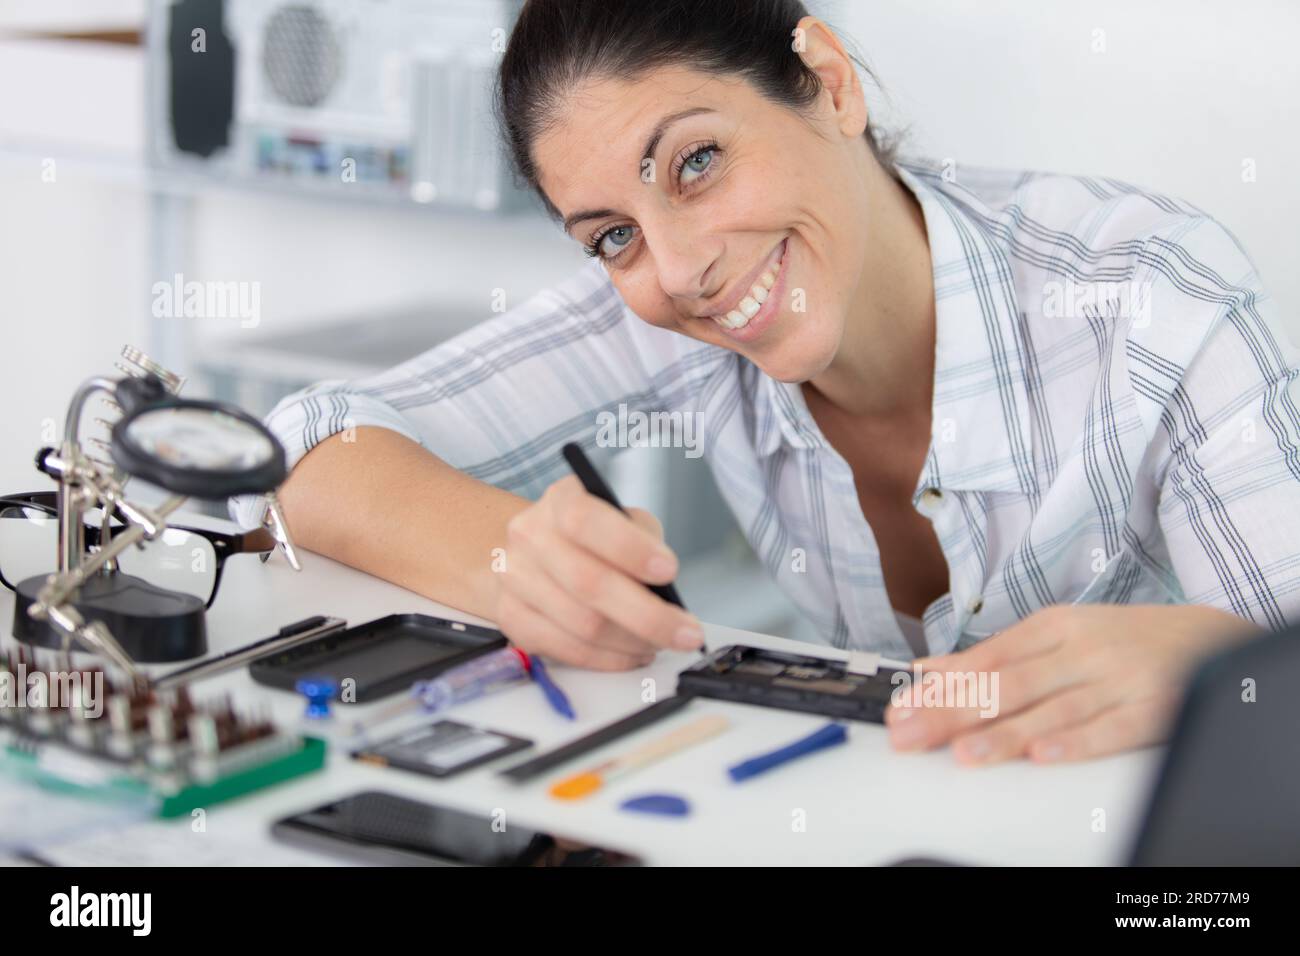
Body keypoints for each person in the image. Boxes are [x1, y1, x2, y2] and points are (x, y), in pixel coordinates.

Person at [230, 0, 1297, 765]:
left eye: (694, 162)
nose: (680, 267)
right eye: (610, 234)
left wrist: (1217, 664)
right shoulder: (663, 306)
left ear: (830, 83)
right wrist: (508, 559)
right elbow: (297, 452)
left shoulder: (1147, 290)